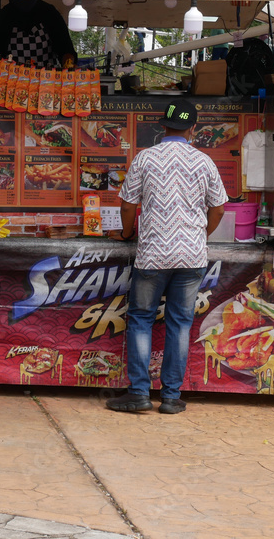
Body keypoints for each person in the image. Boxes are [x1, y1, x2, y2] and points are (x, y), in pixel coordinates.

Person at [107, 98, 226, 415]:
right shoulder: (205, 162)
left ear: (163, 125)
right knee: (180, 324)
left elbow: (128, 206)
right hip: (191, 257)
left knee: (142, 320)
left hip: (152, 256)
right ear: (193, 129)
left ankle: (139, 394)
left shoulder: (145, 158)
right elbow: (219, 209)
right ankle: (171, 397)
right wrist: (201, 235)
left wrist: (127, 233)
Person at [0, 0, 78, 69]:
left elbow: (66, 50)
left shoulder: (49, 14)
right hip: (11, 83)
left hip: (46, 82)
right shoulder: (3, 16)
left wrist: (69, 65)